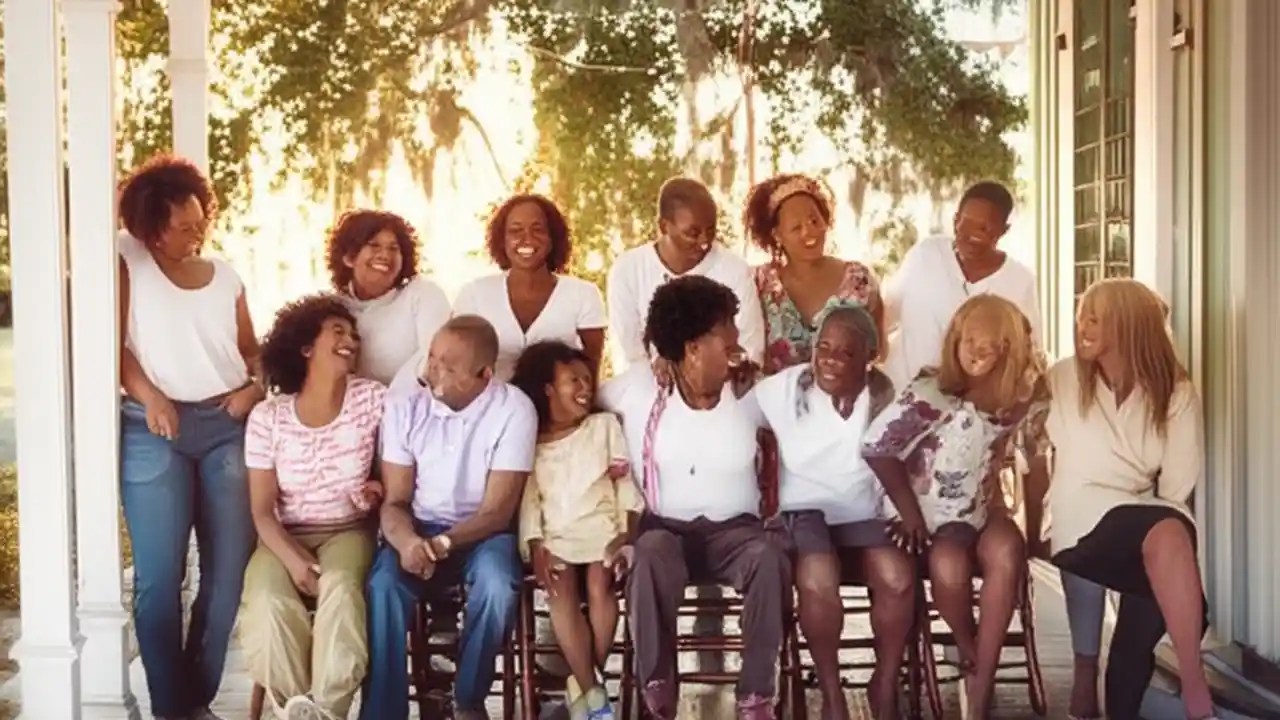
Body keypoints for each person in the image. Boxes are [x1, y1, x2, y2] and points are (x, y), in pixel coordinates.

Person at [1026, 279, 1218, 720]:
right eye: (1082, 317)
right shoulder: (1062, 378)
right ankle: (1196, 693)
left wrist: (1151, 532)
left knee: (1150, 606)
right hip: (1080, 516)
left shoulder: (1176, 392)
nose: (1083, 327)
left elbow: (1176, 486)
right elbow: (1026, 437)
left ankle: (1124, 704)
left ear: (1131, 324)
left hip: (1143, 517)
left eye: (1096, 319)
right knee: (1168, 533)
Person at [599, 275, 789, 720]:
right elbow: (577, 410)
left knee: (769, 559)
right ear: (692, 348)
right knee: (647, 555)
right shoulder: (639, 389)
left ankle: (756, 694)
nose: (737, 340)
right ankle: (657, 685)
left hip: (737, 533)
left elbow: (804, 410)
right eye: (726, 332)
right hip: (665, 530)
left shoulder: (749, 391)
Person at [117, 154, 262, 720]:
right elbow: (112, 344)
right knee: (160, 578)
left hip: (227, 425)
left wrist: (254, 388)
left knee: (227, 575)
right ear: (151, 227)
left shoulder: (226, 276)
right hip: (152, 427)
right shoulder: (126, 259)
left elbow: (252, 351)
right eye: (183, 226)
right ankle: (170, 709)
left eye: (201, 222)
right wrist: (151, 396)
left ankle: (194, 700)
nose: (196, 234)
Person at [862, 294, 1044, 719]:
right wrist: (909, 515)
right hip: (919, 514)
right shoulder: (934, 392)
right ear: (954, 341)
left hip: (972, 511)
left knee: (997, 551)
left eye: (989, 345)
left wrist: (1034, 529)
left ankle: (980, 682)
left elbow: (1036, 456)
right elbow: (878, 448)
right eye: (968, 341)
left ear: (1008, 350)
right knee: (947, 565)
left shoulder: (1018, 399)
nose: (976, 352)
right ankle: (967, 644)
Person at [361, 315, 537, 720]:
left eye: (449, 367)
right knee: (383, 585)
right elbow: (395, 501)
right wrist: (408, 543)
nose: (432, 371)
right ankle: (383, 713)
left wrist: (443, 544)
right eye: (432, 358)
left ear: (484, 375)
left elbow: (497, 512)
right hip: (418, 525)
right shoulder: (405, 405)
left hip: (482, 534)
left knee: (498, 584)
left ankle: (468, 699)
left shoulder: (514, 410)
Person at [750, 300, 912, 720]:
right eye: (824, 347)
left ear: (869, 359)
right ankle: (831, 693)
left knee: (898, 577)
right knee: (819, 576)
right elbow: (732, 412)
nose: (830, 359)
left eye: (845, 352)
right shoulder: (787, 389)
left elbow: (906, 461)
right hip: (803, 512)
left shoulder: (886, 396)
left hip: (864, 513)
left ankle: (885, 682)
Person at [240, 294, 385, 720]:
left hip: (349, 529)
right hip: (284, 534)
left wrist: (376, 489)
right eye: (337, 332)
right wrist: (294, 560)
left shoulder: (373, 400)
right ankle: (297, 706)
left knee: (340, 588)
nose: (350, 341)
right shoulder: (268, 418)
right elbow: (261, 510)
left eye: (354, 335)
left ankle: (327, 708)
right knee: (268, 600)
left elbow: (393, 473)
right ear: (305, 348)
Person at [511, 341, 643, 720]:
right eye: (574, 380)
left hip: (603, 529)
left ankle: (586, 687)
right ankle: (591, 689)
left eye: (588, 379)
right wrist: (535, 543)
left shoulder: (604, 427)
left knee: (602, 581)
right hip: (556, 535)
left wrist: (626, 533)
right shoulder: (530, 441)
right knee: (559, 587)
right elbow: (530, 501)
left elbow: (624, 485)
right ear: (548, 389)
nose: (585, 387)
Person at [881, 181, 1041, 390]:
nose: (974, 235)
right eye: (966, 223)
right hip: (900, 393)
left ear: (1003, 230)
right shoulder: (926, 255)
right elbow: (886, 315)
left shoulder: (1020, 281)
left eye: (985, 227)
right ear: (956, 220)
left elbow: (1030, 351)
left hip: (970, 405)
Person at [606, 177, 765, 372]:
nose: (704, 242)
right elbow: (628, 355)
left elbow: (750, 349)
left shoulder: (734, 269)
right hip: (648, 386)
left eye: (711, 231)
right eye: (693, 233)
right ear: (664, 226)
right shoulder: (627, 270)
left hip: (724, 383)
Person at [453, 194, 607, 381]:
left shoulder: (583, 295)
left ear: (552, 238)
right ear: (502, 240)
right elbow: (456, 366)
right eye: (515, 230)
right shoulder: (474, 294)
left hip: (558, 401)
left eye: (538, 229)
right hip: (491, 399)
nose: (527, 239)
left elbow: (591, 371)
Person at [743, 173, 884, 375]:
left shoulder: (859, 281)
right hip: (773, 395)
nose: (809, 232)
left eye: (814, 221)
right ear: (777, 235)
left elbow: (878, 352)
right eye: (796, 227)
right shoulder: (759, 285)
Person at [326, 209, 451, 385]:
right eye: (374, 245)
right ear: (349, 257)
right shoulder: (332, 309)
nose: (385, 255)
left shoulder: (423, 295)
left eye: (393, 248)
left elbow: (438, 362)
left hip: (416, 400)